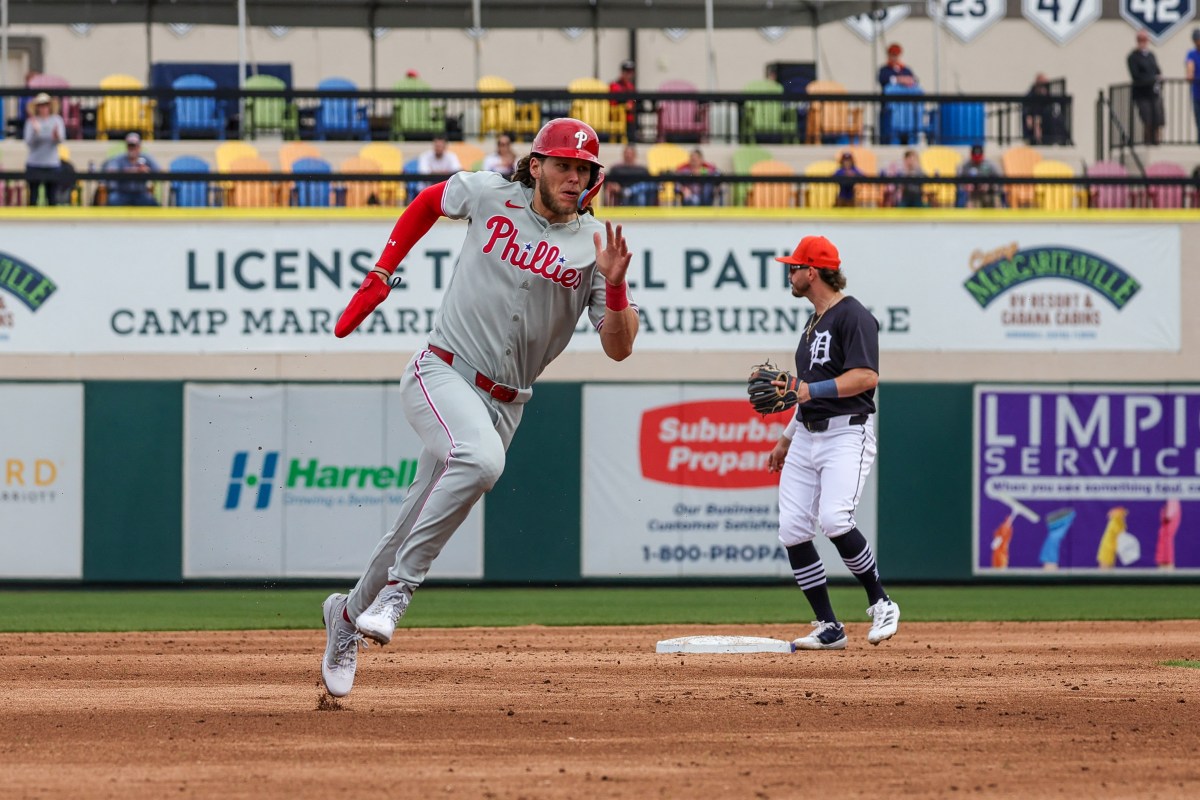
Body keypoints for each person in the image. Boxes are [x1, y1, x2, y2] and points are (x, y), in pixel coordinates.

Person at [320, 118, 638, 698]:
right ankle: (399, 592)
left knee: (411, 520)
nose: (574, 176)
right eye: (563, 164)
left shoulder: (596, 246)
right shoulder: (491, 192)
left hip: (507, 401)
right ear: (536, 164)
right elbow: (428, 201)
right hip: (441, 370)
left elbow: (619, 348)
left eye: (584, 169)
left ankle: (346, 614)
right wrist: (384, 270)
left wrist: (615, 288)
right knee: (482, 463)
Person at [766, 235, 898, 650]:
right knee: (791, 530)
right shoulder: (811, 324)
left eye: (795, 267)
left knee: (836, 520)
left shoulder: (853, 316)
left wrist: (808, 392)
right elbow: (806, 393)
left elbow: (866, 377)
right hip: (807, 435)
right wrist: (787, 438)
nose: (790, 273)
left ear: (813, 272)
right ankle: (828, 625)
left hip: (846, 431)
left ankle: (881, 601)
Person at [22, 93, 65, 207]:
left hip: (51, 163)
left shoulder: (57, 120)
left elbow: (61, 140)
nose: (43, 107)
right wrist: (36, 133)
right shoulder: (31, 122)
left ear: (50, 106)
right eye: (41, 105)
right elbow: (28, 142)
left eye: (46, 104)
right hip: (34, 163)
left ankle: (53, 224)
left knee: (51, 199)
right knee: (33, 198)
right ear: (37, 107)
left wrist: (56, 136)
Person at [102, 132, 161, 206]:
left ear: (139, 146)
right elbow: (111, 170)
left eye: (134, 146)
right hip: (122, 192)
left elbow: (158, 170)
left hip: (140, 193)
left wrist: (147, 170)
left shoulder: (146, 157)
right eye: (130, 145)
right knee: (112, 200)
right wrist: (134, 170)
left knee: (153, 203)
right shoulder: (119, 158)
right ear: (126, 146)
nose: (132, 148)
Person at [1128, 29, 1164, 146]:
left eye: (1145, 39)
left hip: (1153, 93)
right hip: (1142, 94)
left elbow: (1157, 70)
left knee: (1157, 118)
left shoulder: (1151, 55)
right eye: (1140, 40)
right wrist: (1151, 79)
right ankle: (1148, 142)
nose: (1143, 42)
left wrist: (1158, 78)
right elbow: (1136, 75)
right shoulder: (1133, 57)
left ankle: (1157, 141)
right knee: (1147, 118)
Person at [878, 44, 918, 144]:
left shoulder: (905, 69)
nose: (894, 57)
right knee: (891, 133)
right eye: (892, 54)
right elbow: (883, 79)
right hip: (891, 110)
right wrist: (898, 79)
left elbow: (914, 80)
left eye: (896, 55)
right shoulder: (885, 70)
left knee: (908, 132)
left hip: (906, 110)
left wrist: (908, 80)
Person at [1022, 73, 1067, 146]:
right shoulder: (1030, 98)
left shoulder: (1047, 98)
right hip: (1034, 130)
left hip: (1046, 128)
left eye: (1046, 85)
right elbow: (1028, 117)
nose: (1045, 88)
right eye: (1043, 85)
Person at [957, 144, 1002, 208]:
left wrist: (989, 186)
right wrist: (966, 186)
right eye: (975, 157)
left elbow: (999, 180)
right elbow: (959, 182)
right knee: (970, 205)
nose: (977, 160)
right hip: (973, 195)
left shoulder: (990, 165)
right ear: (971, 155)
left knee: (995, 201)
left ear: (983, 155)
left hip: (989, 193)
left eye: (979, 157)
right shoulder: (965, 166)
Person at [609, 59, 638, 143]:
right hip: (617, 117)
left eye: (631, 72)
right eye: (626, 71)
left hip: (630, 118)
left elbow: (634, 101)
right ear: (622, 72)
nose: (629, 74)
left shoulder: (631, 86)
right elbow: (614, 102)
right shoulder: (614, 85)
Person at [1186, 29, 1200, 145]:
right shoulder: (1192, 54)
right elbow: (1190, 68)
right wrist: (1190, 74)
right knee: (1199, 120)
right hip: (1197, 94)